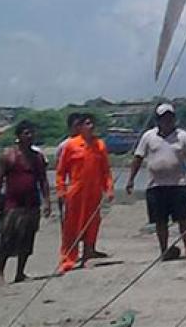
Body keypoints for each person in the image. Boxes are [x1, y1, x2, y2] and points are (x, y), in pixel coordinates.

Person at [126, 104, 186, 260]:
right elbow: (138, 158)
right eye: (163, 117)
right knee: (160, 221)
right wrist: (131, 179)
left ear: (174, 118)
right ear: (158, 119)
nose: (167, 120)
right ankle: (164, 250)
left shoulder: (183, 136)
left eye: (170, 117)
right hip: (156, 186)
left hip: (179, 184)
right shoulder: (148, 136)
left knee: (184, 220)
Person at [0, 120, 51, 285]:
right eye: (26, 133)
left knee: (27, 239)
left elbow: (43, 181)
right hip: (13, 204)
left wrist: (47, 201)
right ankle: (0, 273)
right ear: (19, 136)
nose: (30, 136)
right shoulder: (9, 156)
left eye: (32, 133)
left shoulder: (37, 157)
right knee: (7, 239)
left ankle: (20, 272)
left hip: (32, 203)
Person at [55, 113, 114, 273]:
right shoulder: (71, 145)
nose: (91, 126)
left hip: (94, 192)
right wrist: (61, 190)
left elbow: (105, 170)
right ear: (80, 127)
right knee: (71, 226)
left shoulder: (100, 145)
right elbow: (61, 171)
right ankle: (68, 259)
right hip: (76, 191)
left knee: (92, 224)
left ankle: (88, 255)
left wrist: (108, 188)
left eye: (92, 123)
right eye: (87, 123)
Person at [55, 112, 83, 224]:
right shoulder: (64, 146)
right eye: (77, 126)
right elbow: (60, 172)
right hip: (69, 191)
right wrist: (62, 191)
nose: (79, 129)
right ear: (70, 127)